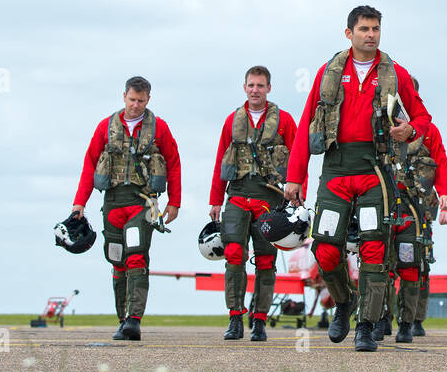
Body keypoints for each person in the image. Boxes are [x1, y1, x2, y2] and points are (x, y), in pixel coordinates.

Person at [284, 5, 431, 352]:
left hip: (375, 170)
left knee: (374, 248)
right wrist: (295, 178)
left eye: (376, 28)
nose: (371, 34)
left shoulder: (398, 75)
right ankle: (343, 301)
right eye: (364, 28)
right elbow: (306, 126)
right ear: (348, 33)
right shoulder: (327, 72)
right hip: (335, 169)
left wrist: (409, 129)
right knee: (325, 247)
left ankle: (366, 325)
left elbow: (422, 116)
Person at [71, 76, 181, 341]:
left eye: (141, 101)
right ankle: (122, 320)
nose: (135, 105)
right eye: (132, 99)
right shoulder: (105, 127)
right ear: (124, 97)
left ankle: (134, 320)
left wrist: (174, 202)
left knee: (136, 257)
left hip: (144, 202)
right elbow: (89, 164)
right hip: (113, 202)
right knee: (117, 258)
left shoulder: (160, 128)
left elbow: (174, 162)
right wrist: (79, 203)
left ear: (148, 100)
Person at [208, 66, 297, 342]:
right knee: (234, 253)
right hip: (236, 196)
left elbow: (297, 159)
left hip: (269, 200)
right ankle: (235, 317)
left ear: (269, 88)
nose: (255, 90)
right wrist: (215, 199)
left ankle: (259, 321)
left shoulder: (285, 121)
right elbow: (220, 160)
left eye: (260, 85)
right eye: (251, 85)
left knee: (266, 261)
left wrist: (297, 193)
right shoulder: (231, 121)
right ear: (244, 88)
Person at [387, 88, 447, 343]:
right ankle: (381, 317)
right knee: (381, 262)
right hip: (387, 205)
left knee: (417, 263)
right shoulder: (381, 129)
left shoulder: (430, 132)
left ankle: (412, 319)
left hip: (420, 209)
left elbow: (441, 163)